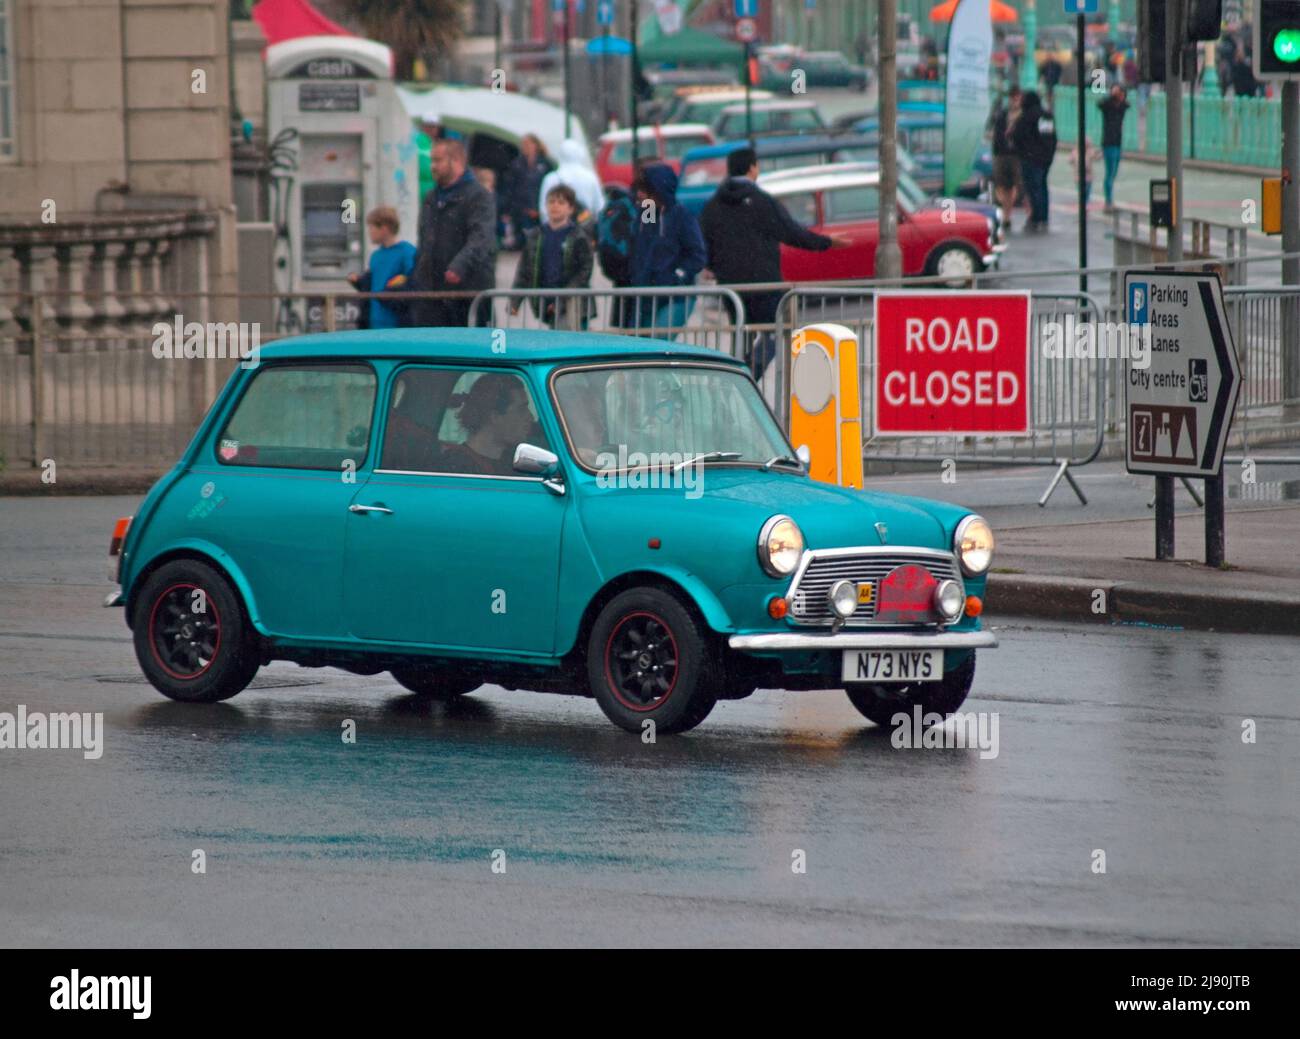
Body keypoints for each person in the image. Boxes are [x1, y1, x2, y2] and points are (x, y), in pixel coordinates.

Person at [700, 146, 846, 379]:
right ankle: (748, 378)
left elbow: (703, 243)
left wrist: (714, 266)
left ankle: (737, 381)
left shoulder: (713, 205)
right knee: (775, 333)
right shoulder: (762, 201)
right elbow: (792, 232)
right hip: (764, 284)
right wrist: (827, 242)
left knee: (741, 340)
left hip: (731, 287)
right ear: (752, 168)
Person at [411, 136, 497, 327]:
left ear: (457, 161)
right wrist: (418, 275)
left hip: (468, 292)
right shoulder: (431, 197)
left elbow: (481, 237)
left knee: (470, 350)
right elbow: (424, 240)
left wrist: (459, 266)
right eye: (432, 160)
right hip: (432, 294)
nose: (432, 166)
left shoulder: (478, 196)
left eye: (438, 160)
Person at [624, 162, 707, 330]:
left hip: (675, 296)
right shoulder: (648, 213)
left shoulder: (681, 216)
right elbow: (643, 247)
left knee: (659, 338)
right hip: (646, 294)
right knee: (640, 344)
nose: (641, 195)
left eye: (647, 191)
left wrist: (678, 275)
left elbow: (697, 255)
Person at [511, 184, 594, 329]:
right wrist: (515, 301)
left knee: (569, 346)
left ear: (571, 209)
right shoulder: (536, 235)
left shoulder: (579, 236)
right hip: (546, 304)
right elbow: (524, 270)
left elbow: (584, 271)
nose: (555, 206)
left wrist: (561, 299)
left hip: (573, 305)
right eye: (551, 202)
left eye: (561, 203)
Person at [348, 206, 417, 330]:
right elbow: (371, 285)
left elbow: (413, 282)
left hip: (397, 323)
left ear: (384, 228)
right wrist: (358, 281)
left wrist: (391, 293)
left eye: (371, 227)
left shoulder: (406, 252)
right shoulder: (376, 256)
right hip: (374, 323)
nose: (369, 232)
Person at [1012, 90, 1057, 234]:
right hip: (1045, 159)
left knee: (1033, 189)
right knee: (1042, 187)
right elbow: (1051, 138)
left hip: (1030, 159)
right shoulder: (1046, 116)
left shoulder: (1025, 117)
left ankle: (1035, 218)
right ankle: (1043, 217)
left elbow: (1017, 136)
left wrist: (1023, 153)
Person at [502, 134, 552, 247]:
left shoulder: (545, 164)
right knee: (520, 241)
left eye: (528, 144)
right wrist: (508, 210)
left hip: (538, 208)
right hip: (520, 209)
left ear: (536, 145)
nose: (525, 147)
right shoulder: (516, 164)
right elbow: (510, 187)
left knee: (536, 241)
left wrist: (537, 208)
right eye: (523, 144)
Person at [538, 139, 605, 224]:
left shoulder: (551, 178)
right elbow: (599, 206)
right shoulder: (590, 177)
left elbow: (543, 208)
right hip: (585, 225)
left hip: (558, 227)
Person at [990, 85, 1023, 220]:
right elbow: (997, 133)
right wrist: (996, 150)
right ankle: (1005, 214)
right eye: (1012, 98)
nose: (1014, 101)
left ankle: (1007, 215)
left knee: (1016, 186)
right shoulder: (1003, 114)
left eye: (1017, 98)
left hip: (1016, 155)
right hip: (1002, 154)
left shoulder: (1023, 115)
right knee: (1002, 186)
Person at [1097, 84, 1129, 211]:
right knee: (1110, 173)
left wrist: (1118, 95)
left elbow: (1127, 104)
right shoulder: (1108, 106)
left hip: (1117, 143)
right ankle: (1108, 201)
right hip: (1108, 142)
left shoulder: (1121, 107)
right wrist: (1111, 95)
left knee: (1114, 172)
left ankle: (1109, 200)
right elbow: (1100, 104)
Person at [1070, 136, 1102, 207]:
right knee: (1082, 190)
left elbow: (1096, 157)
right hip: (1079, 176)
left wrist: (1099, 154)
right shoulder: (1075, 152)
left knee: (1087, 190)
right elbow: (1071, 160)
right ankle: (1083, 202)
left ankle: (1086, 202)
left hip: (1088, 176)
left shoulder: (1090, 152)